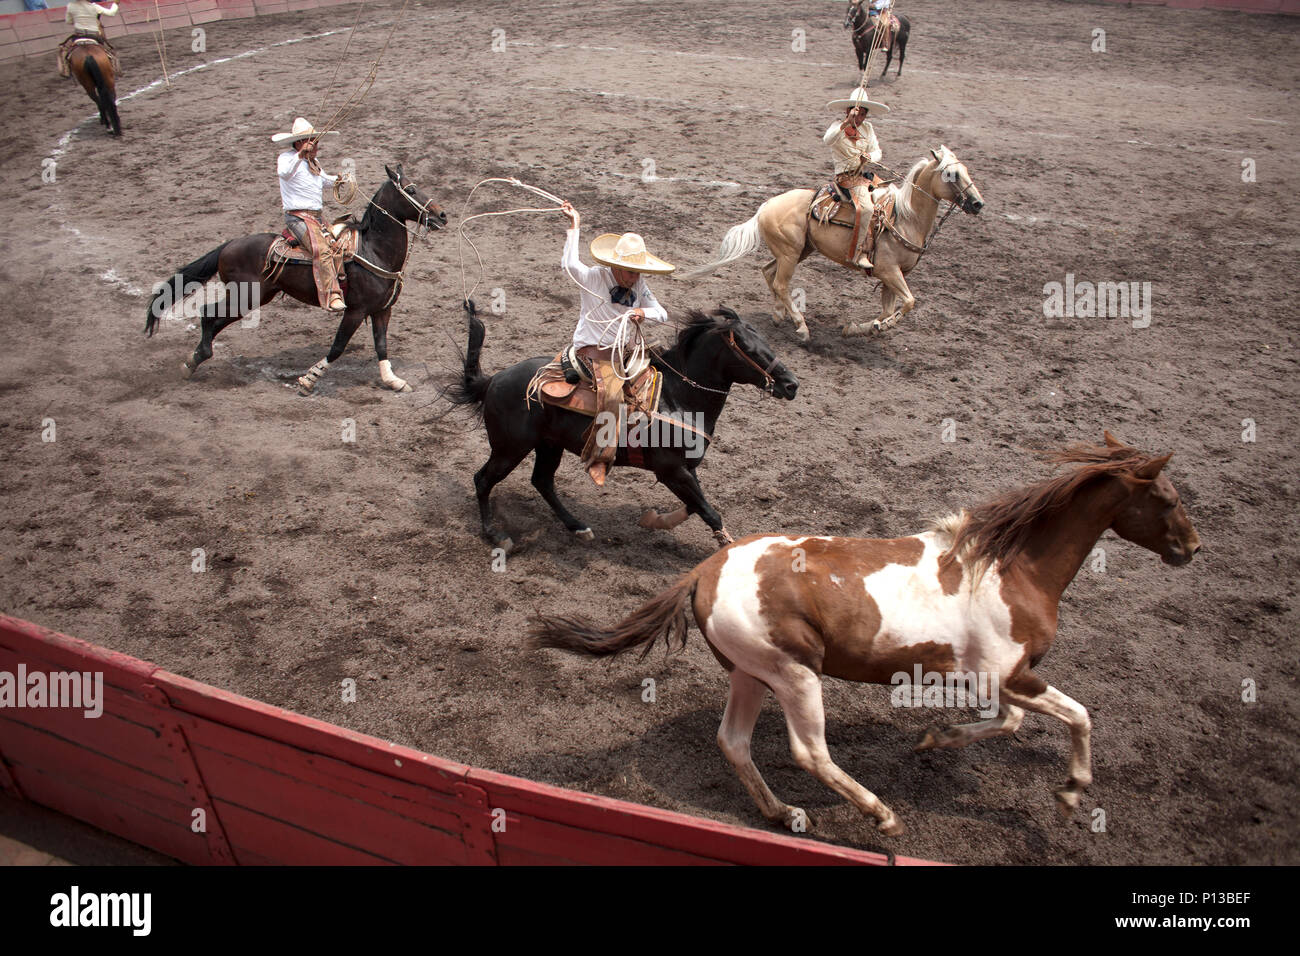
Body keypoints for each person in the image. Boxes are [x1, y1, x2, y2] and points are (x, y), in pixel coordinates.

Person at [559, 201, 673, 486]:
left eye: (637, 271)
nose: (636, 277)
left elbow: (662, 313)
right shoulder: (594, 277)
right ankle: (600, 456)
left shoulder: (639, 285)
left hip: (625, 353)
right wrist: (575, 226)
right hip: (594, 352)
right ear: (616, 266)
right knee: (612, 394)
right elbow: (570, 264)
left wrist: (642, 312)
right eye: (631, 271)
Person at [272, 117, 345, 312]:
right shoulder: (287, 159)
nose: (315, 145)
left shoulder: (314, 162)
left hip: (315, 216)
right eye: (311, 141)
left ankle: (342, 284)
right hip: (297, 217)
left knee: (338, 243)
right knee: (322, 249)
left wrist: (338, 180)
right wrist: (300, 156)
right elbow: (284, 174)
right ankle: (331, 295)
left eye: (316, 141)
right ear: (299, 143)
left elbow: (323, 181)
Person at [823, 87, 889, 270]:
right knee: (866, 208)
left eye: (862, 115)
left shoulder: (868, 128)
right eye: (856, 114)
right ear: (848, 111)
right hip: (845, 177)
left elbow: (877, 151)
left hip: (862, 175)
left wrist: (870, 157)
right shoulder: (838, 126)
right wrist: (846, 123)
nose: (859, 119)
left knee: (888, 196)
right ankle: (858, 253)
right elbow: (827, 140)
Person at [57, 1, 119, 79]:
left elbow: (69, 21)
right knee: (110, 50)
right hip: (94, 34)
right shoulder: (94, 6)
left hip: (79, 35)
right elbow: (111, 13)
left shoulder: (70, 6)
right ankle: (114, 69)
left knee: (64, 50)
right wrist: (115, 4)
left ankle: (66, 71)